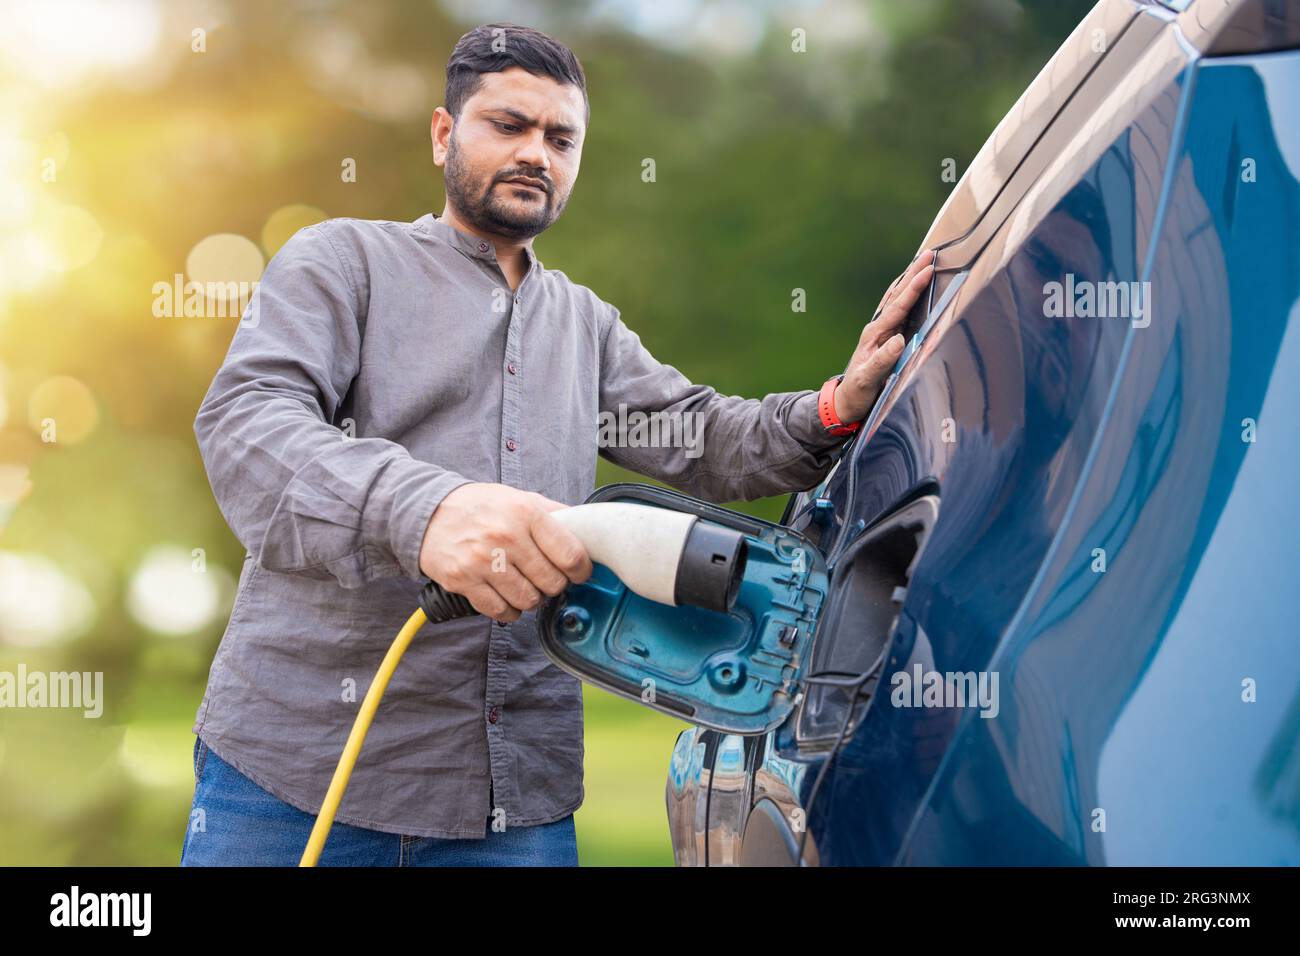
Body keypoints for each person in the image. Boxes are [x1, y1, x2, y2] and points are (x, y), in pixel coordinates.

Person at [180, 21, 933, 867]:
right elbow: (248, 420)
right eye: (509, 125)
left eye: (560, 137)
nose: (536, 152)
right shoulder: (342, 262)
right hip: (296, 779)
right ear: (443, 134)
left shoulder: (586, 324)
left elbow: (705, 438)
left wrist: (838, 403)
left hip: (518, 804)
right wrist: (426, 509)